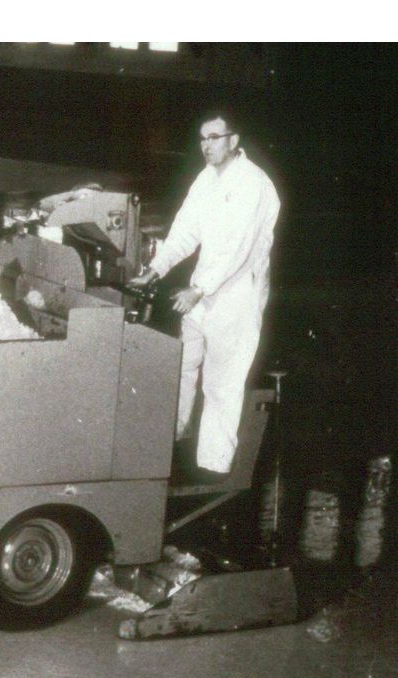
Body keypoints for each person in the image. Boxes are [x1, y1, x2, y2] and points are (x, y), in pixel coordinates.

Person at [129, 112, 281, 481]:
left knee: (221, 381)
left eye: (214, 138)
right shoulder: (205, 179)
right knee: (184, 363)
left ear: (233, 139)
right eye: (202, 139)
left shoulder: (254, 185)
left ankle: (213, 467)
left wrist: (199, 288)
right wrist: (157, 268)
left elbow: (239, 249)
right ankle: (175, 442)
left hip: (235, 297)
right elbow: (185, 230)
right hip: (203, 292)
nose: (206, 146)